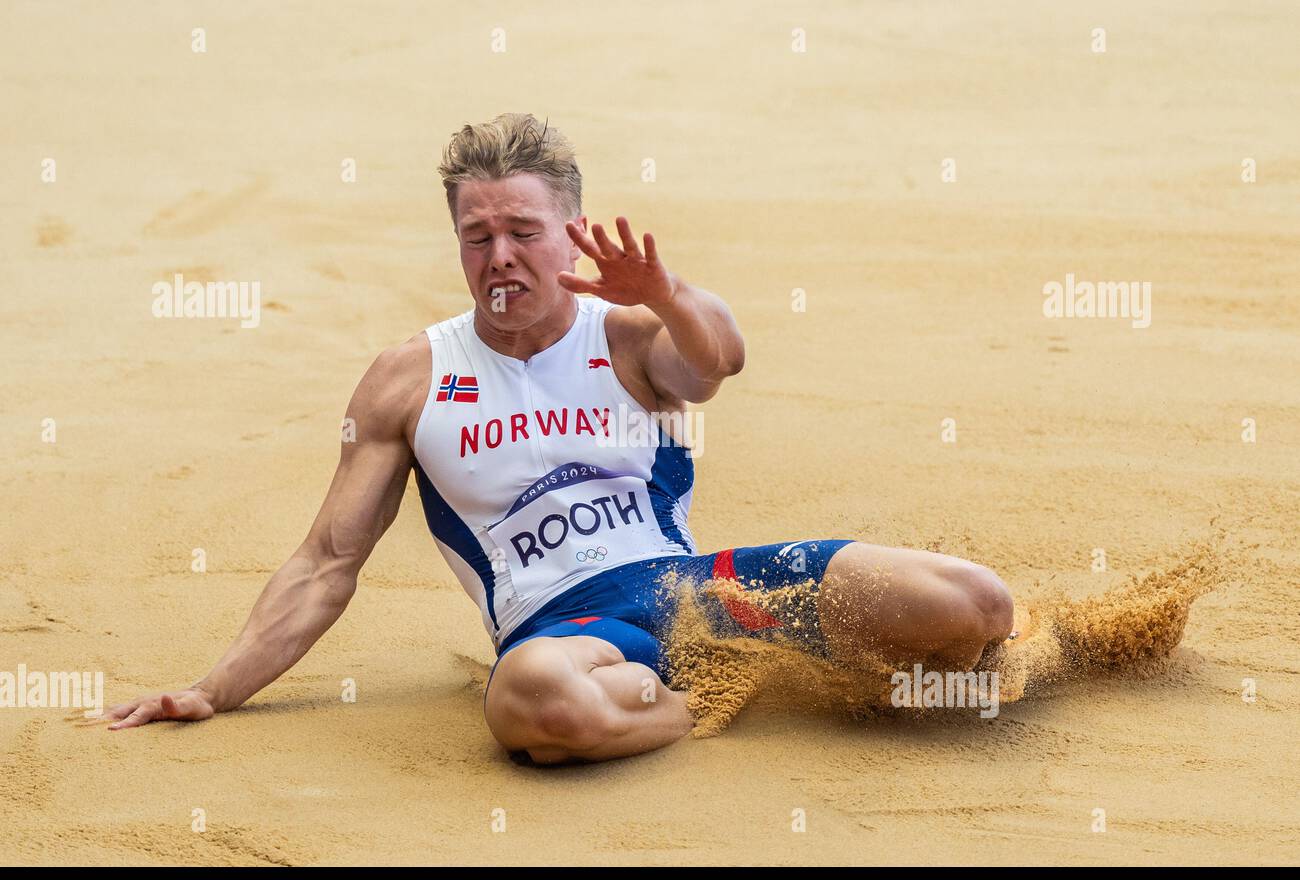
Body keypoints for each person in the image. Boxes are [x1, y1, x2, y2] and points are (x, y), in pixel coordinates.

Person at [106, 113, 1013, 764]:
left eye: (522, 232)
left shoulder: (623, 334)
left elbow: (719, 358)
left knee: (973, 605)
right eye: (477, 237)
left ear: (568, 232)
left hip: (694, 591)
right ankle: (718, 696)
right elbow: (326, 563)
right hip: (565, 630)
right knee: (531, 702)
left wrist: (662, 293)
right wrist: (215, 688)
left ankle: (721, 667)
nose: (499, 256)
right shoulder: (408, 379)